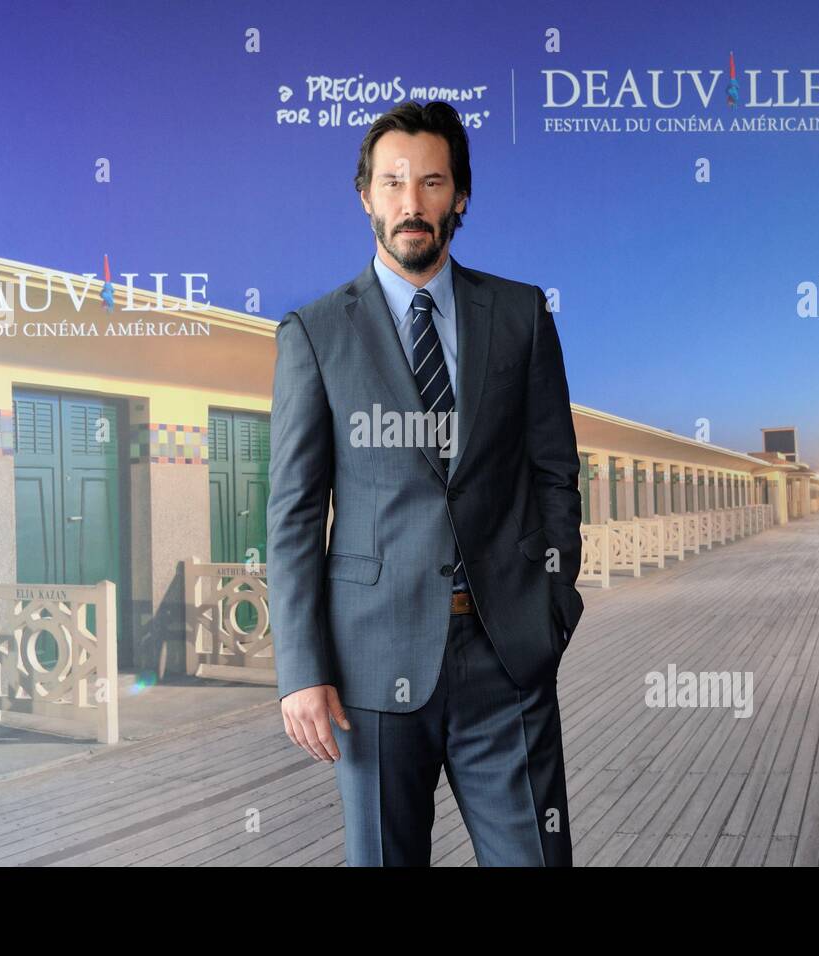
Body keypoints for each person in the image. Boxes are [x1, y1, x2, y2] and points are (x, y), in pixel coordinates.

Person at [266, 100, 584, 866]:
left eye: (433, 182)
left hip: (504, 655)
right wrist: (301, 671)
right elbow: (295, 514)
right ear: (367, 197)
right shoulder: (314, 334)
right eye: (394, 182)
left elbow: (555, 473)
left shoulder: (520, 315)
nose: (413, 202)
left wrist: (552, 606)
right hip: (371, 668)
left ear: (460, 197)